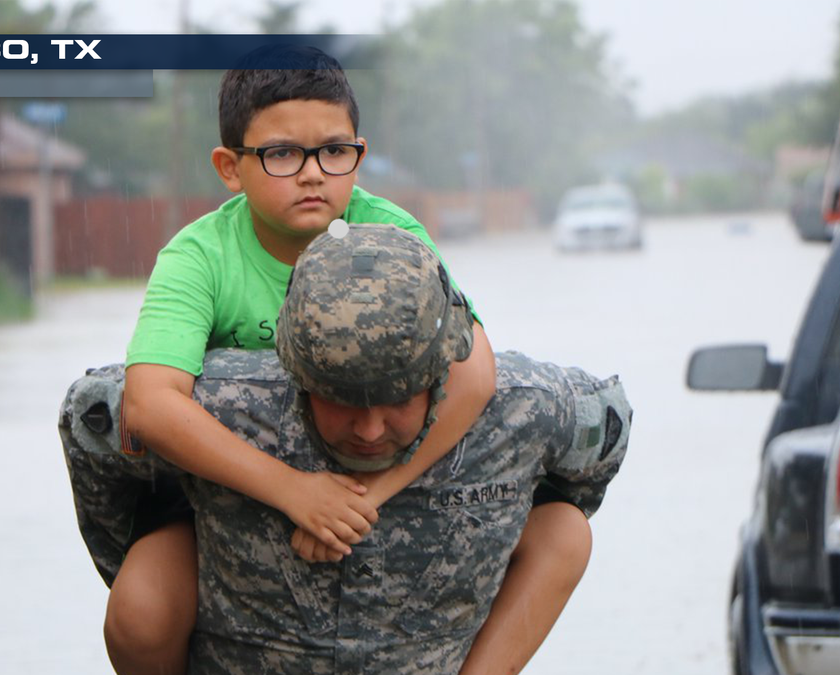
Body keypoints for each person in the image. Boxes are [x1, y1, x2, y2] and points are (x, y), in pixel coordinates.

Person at [110, 45, 529, 675]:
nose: (313, 174)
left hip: (394, 484)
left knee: (565, 534)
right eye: (282, 154)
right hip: (234, 505)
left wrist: (364, 499)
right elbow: (148, 403)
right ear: (230, 167)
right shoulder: (199, 257)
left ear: (358, 154)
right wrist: (294, 492)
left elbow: (474, 372)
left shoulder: (394, 238)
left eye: (334, 151)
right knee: (139, 610)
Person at [61, 224, 631, 674]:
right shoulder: (225, 409)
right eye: (341, 402)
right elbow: (91, 426)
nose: (369, 429)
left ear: (441, 373)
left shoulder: (524, 410)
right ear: (294, 373)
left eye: (397, 400)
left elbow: (606, 437)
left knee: (565, 528)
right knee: (143, 591)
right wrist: (185, 525)